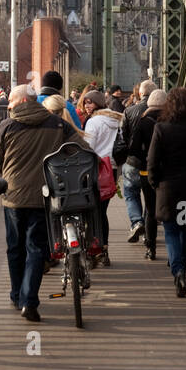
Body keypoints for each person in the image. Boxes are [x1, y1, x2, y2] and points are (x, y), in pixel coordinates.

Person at [0, 83, 88, 321]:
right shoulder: (58, 125)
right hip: (45, 196)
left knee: (14, 248)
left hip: (13, 197)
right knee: (36, 249)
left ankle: (17, 295)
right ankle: (30, 301)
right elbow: (82, 150)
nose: (7, 105)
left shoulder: (7, 127)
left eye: (11, 101)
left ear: (23, 101)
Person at [147, 88, 186, 297]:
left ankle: (177, 269)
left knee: (170, 230)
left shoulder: (161, 128)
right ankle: (183, 264)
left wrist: (154, 182)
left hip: (167, 187)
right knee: (184, 228)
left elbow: (152, 160)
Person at [80, 89, 124, 265]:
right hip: (111, 169)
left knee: (93, 211)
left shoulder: (93, 122)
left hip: (96, 169)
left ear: (97, 103)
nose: (86, 106)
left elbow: (88, 147)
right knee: (102, 211)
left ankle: (95, 250)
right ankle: (103, 249)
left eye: (89, 102)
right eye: (85, 102)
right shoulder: (115, 119)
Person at [128, 89, 166, 260]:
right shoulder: (170, 121)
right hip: (168, 173)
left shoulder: (143, 122)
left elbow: (133, 148)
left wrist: (145, 157)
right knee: (172, 209)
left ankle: (150, 247)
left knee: (150, 211)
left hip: (146, 171)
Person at [118, 80, 156, 243]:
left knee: (131, 193)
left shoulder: (129, 111)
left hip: (133, 161)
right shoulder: (164, 112)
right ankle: (148, 226)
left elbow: (123, 136)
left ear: (140, 93)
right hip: (154, 162)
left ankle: (136, 221)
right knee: (151, 196)